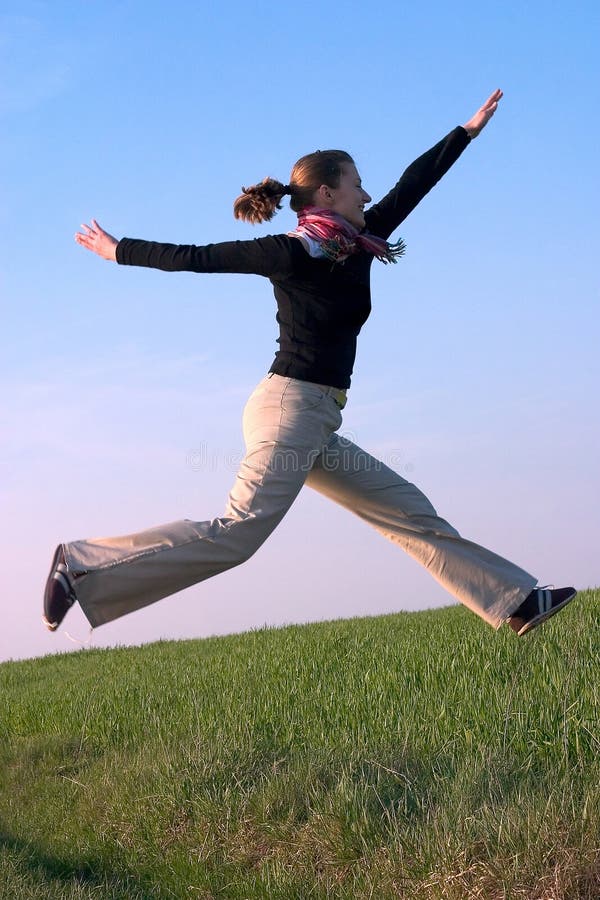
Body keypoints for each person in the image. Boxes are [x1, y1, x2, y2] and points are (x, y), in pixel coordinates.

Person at [43, 90, 576, 639]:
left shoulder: (358, 242)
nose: (367, 193)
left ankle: (517, 602)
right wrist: (118, 249)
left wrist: (465, 132)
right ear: (328, 192)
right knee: (238, 533)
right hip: (288, 410)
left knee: (411, 514)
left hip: (317, 420)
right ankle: (81, 566)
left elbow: (415, 184)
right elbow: (194, 258)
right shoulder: (291, 252)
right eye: (356, 183)